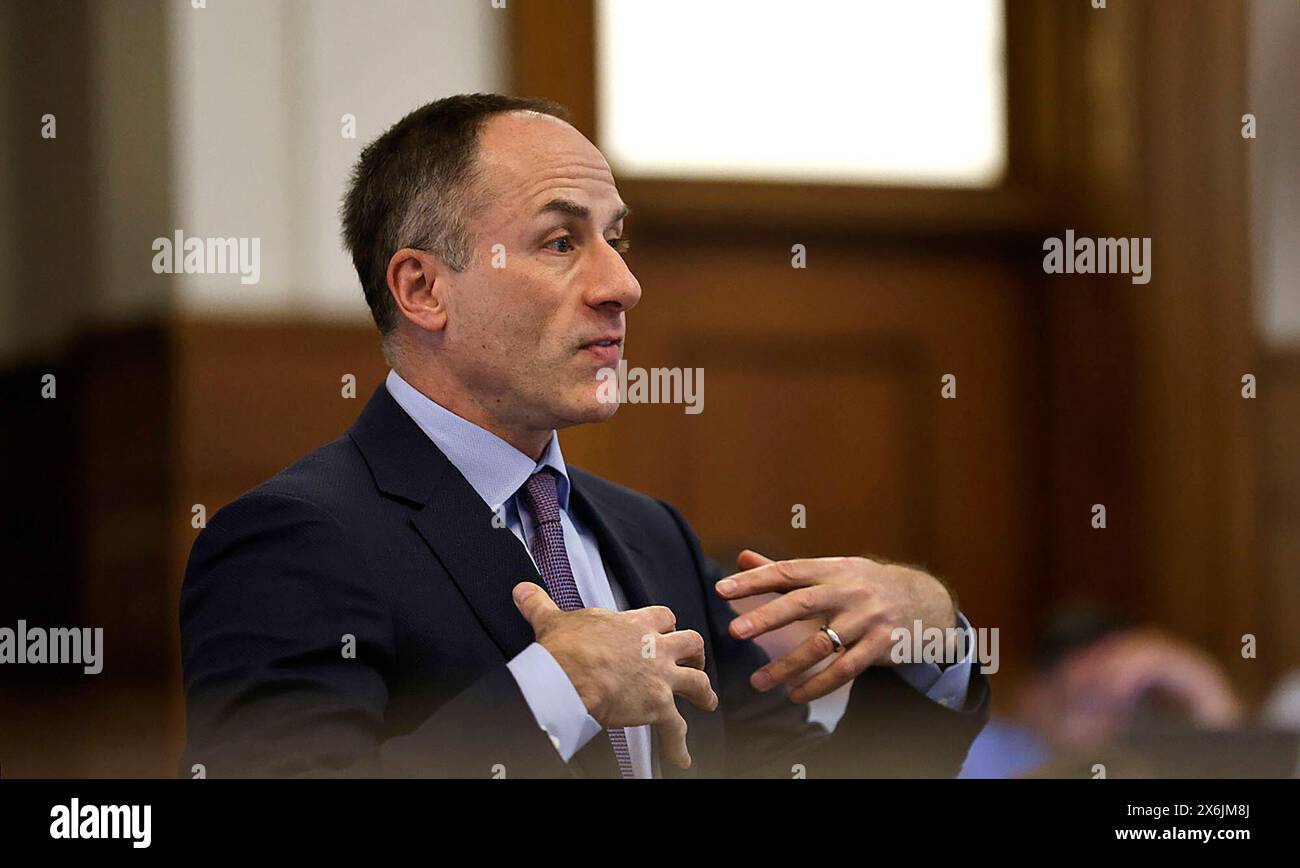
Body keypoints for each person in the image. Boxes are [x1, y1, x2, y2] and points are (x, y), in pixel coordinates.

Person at [179, 94, 989, 778]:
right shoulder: (294, 539)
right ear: (423, 288)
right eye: (562, 241)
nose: (622, 284)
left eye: (616, 238)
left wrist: (933, 638)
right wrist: (552, 695)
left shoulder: (653, 536)